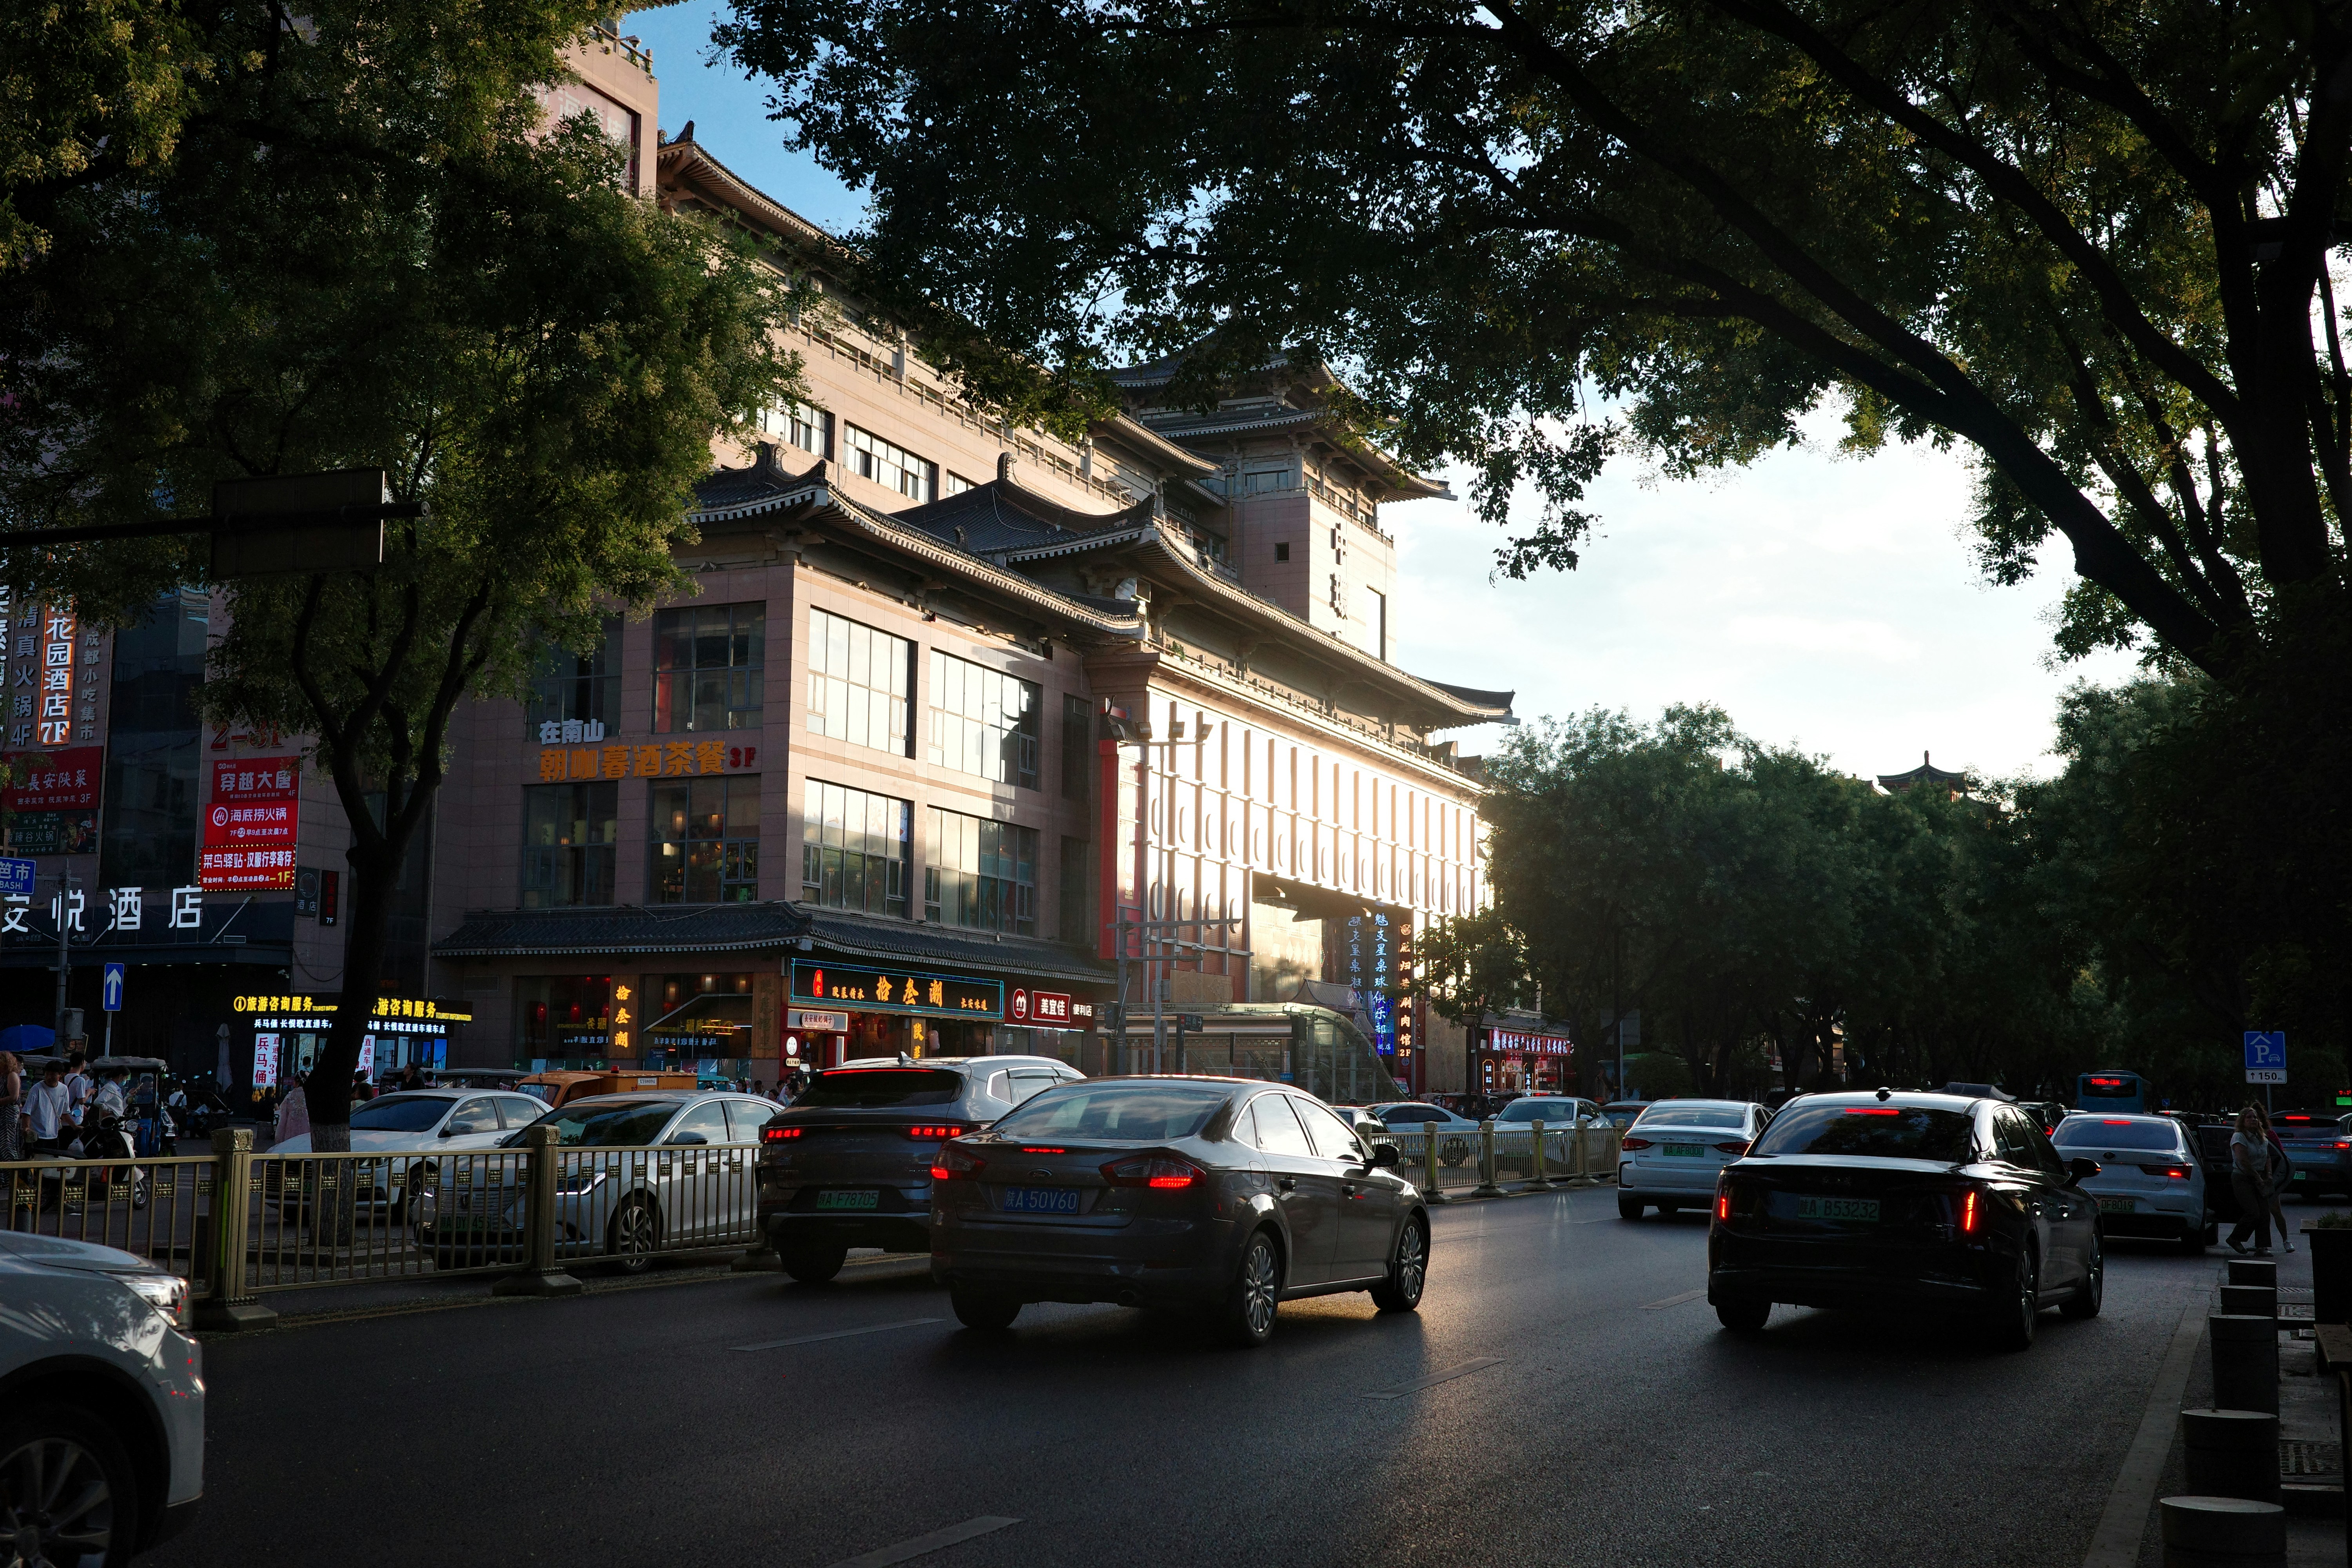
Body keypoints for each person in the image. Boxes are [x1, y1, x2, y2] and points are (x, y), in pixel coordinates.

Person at [2227, 1105, 2277, 1257]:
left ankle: (2262, 1246)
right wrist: (2257, 1177)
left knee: (2264, 1213)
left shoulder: (2262, 1137)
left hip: (2260, 1176)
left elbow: (2267, 1157)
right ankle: (2235, 1239)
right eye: (2249, 1117)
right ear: (2243, 1120)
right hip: (2243, 1178)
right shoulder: (2239, 1137)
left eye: (2255, 1117)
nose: (2253, 1120)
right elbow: (2243, 1161)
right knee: (2253, 1212)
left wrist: (2268, 1174)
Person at [2253, 1105, 2296, 1254]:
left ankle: (2286, 1240)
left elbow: (2280, 1156)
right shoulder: (2246, 1136)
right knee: (2259, 1212)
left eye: (2256, 1118)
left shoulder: (2269, 1135)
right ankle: (2261, 1244)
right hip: (2253, 1177)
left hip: (2268, 1178)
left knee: (2275, 1210)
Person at [25, 1059, 77, 1157]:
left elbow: (64, 1113)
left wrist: (75, 1126)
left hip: (53, 1135)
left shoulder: (64, 1089)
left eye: (53, 1075)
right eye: (47, 1074)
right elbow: (27, 1112)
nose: (49, 1077)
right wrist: (27, 1129)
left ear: (61, 1075)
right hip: (37, 1135)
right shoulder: (36, 1089)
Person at [275, 1072, 310, 1147]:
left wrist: (279, 1138)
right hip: (308, 1131)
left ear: (297, 1082)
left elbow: (283, 1118)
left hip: (292, 1131)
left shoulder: (290, 1097)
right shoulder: (312, 1096)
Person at [0, 1050, 22, 1162]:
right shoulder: (2, 1077)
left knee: (7, 1143)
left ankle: (10, 1172)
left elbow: (14, 1097)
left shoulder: (12, 1075)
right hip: (1, 1113)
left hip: (8, 1113)